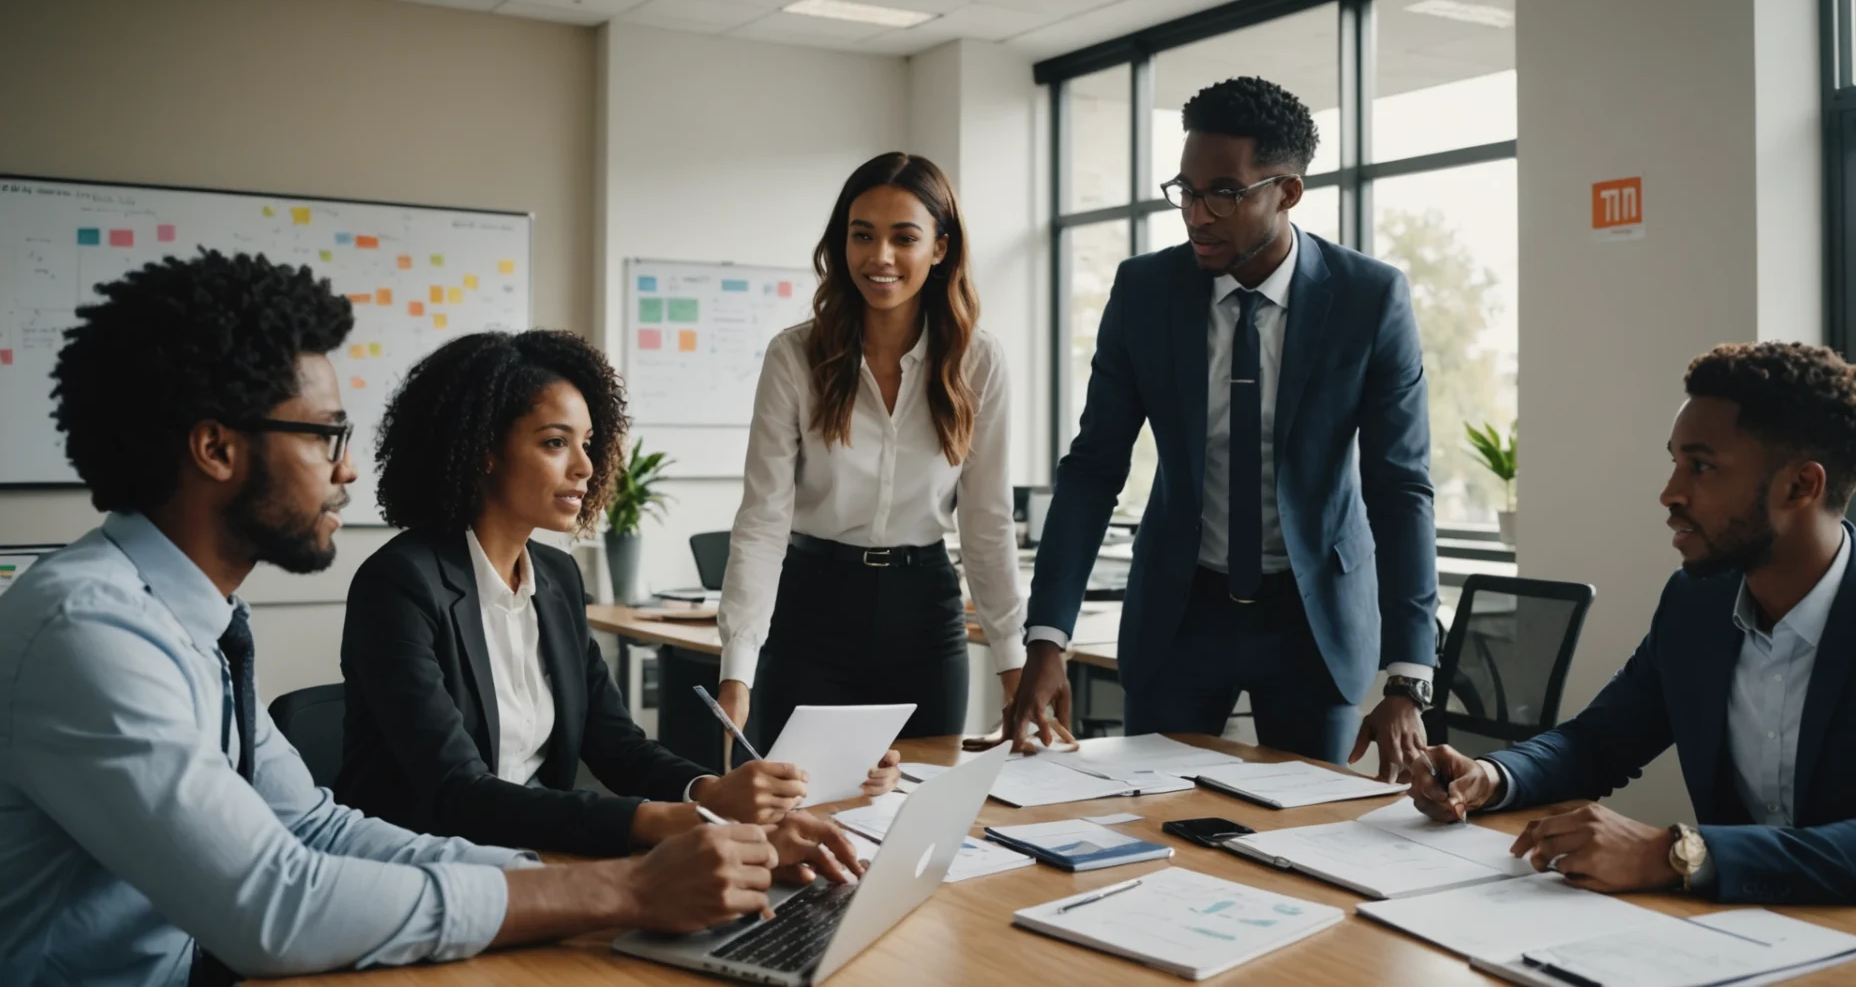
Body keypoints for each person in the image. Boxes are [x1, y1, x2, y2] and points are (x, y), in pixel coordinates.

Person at [0, 251, 850, 986]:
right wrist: (625, 887)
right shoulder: (90, 632)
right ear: (218, 449)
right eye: (326, 436)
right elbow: (274, 905)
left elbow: (315, 826)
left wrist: (657, 863)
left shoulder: (197, 619)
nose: (346, 471)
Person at [1005, 76, 1438, 774]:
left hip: (1312, 618)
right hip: (1181, 613)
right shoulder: (1145, 293)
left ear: (1287, 191)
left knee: (1305, 837)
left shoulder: (1368, 299)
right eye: (1186, 190)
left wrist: (1408, 674)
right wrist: (1046, 637)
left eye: (1224, 193)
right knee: (1147, 817)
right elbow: (1092, 470)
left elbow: (1401, 487)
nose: (1197, 215)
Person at [336, 330, 874, 857]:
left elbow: (615, 743)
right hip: (427, 864)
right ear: (484, 451)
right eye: (555, 443)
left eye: (586, 443)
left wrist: (712, 793)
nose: (586, 468)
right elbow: (457, 790)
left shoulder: (557, 578)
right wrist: (679, 821)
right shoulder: (400, 584)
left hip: (540, 852)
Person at [1411, 341, 1856, 911]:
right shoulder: (1698, 603)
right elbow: (1599, 741)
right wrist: (1493, 775)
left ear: (1800, 487)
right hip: (1734, 937)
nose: (1670, 493)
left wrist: (1680, 853)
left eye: (1703, 466)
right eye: (1675, 462)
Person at [715, 152, 1028, 755]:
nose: (879, 257)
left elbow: (987, 520)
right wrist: (738, 667)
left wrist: (1013, 666)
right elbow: (763, 519)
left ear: (940, 248)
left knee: (920, 801)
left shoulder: (977, 362)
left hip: (924, 612)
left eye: (903, 237)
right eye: (862, 236)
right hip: (810, 609)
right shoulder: (795, 357)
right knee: (801, 808)